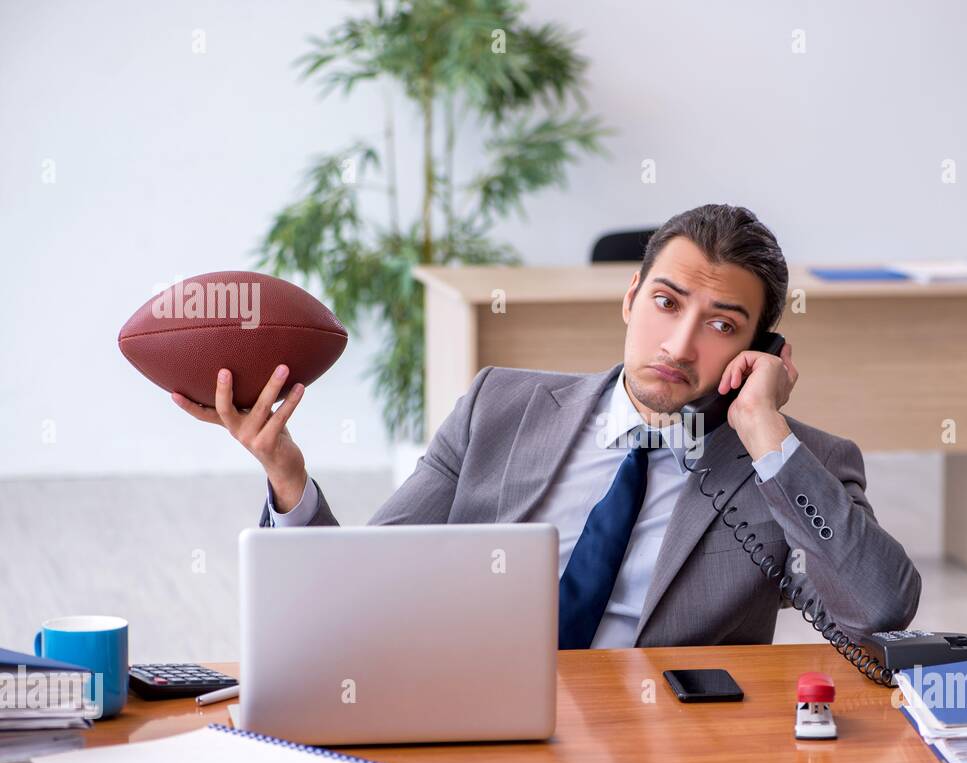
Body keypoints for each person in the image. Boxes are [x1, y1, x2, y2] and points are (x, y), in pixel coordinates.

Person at [173, 203, 922, 649]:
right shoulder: (499, 406)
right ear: (630, 297)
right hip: (469, 710)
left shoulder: (795, 463)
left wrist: (763, 432)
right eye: (666, 302)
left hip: (655, 752)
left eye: (721, 323)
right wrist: (289, 478)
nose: (680, 343)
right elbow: (358, 583)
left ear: (758, 350)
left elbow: (879, 608)